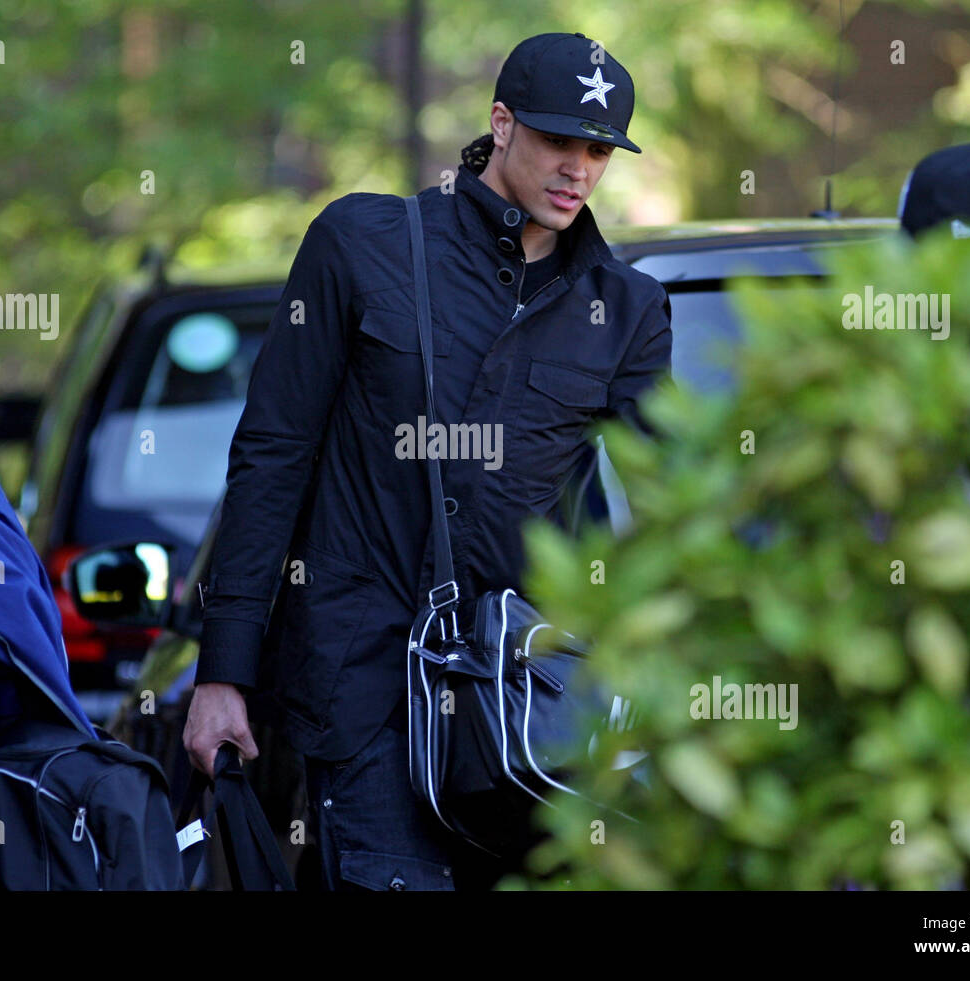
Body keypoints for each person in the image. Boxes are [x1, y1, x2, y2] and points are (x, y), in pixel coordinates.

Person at [183, 32, 672, 890]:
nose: (579, 170)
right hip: (362, 696)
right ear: (501, 123)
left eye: (600, 151)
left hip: (524, 720)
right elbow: (272, 455)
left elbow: (681, 504)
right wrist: (222, 669)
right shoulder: (360, 243)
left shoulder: (626, 308)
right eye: (560, 141)